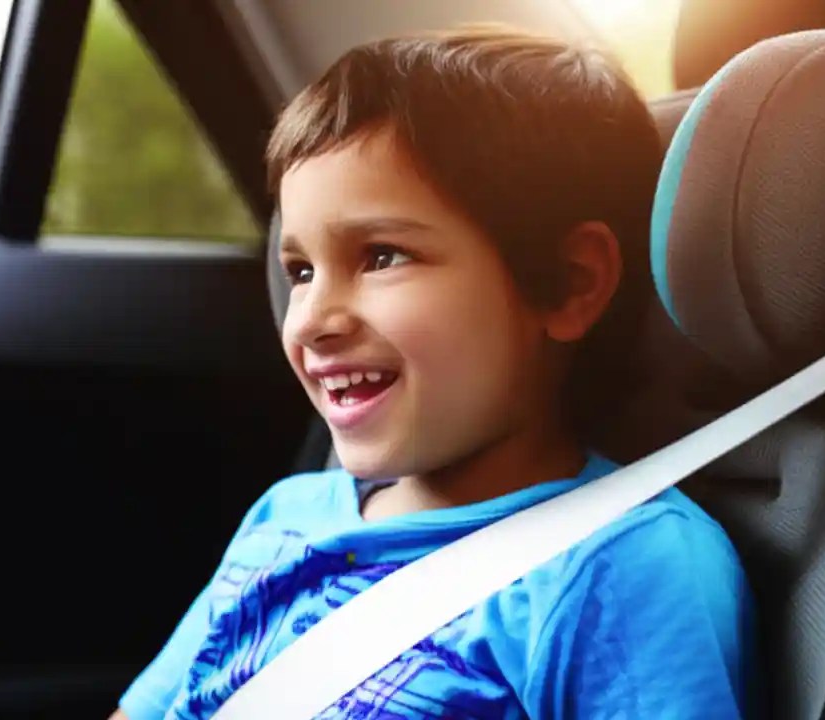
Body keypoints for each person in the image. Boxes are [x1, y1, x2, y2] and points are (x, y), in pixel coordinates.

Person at [112, 25, 757, 720]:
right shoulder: (285, 517)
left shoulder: (620, 570)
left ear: (571, 284)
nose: (310, 319)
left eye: (382, 255)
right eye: (299, 271)